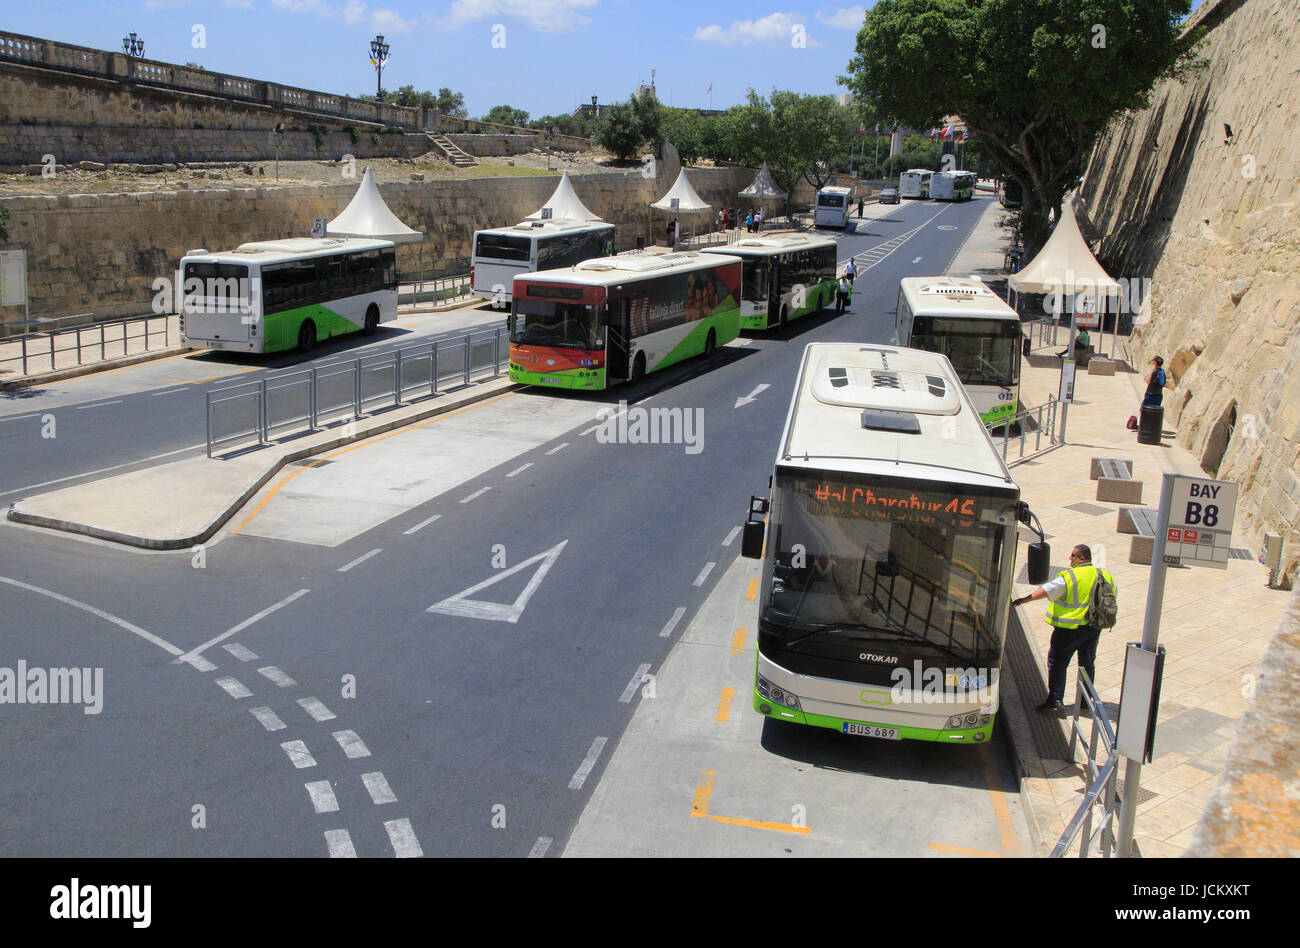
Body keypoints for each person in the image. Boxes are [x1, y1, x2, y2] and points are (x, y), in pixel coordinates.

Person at [1012, 544, 1117, 711]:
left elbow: (1046, 590)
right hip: (1093, 628)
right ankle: (1085, 701)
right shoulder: (1106, 576)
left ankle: (1055, 700)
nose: (1070, 558)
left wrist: (1024, 599)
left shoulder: (1070, 576)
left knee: (1057, 663)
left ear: (1082, 558)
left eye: (1073, 555)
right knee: (1087, 663)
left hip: (1068, 630)